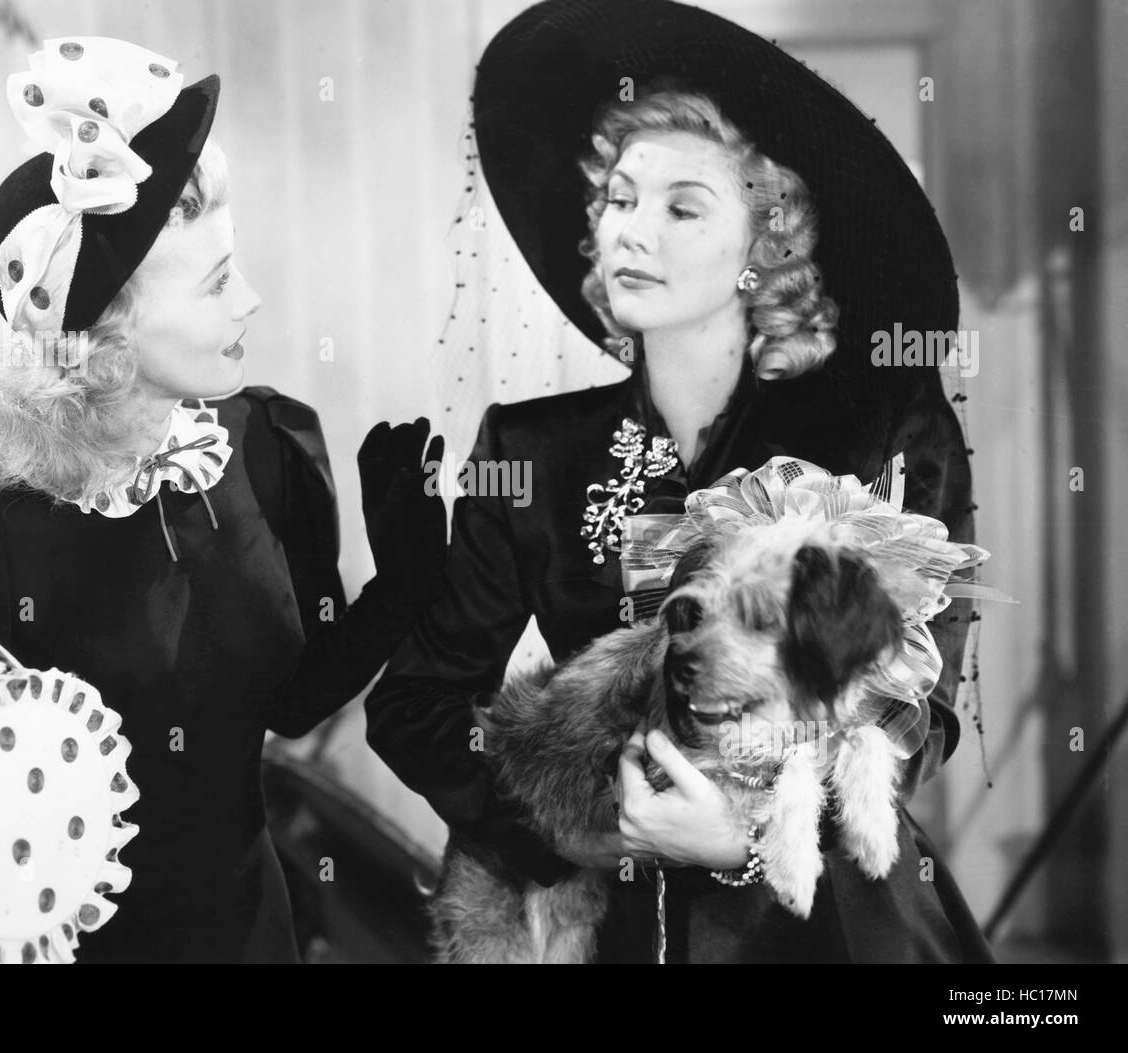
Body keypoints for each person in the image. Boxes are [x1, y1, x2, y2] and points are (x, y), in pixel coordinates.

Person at [366, 0, 992, 963]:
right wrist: (570, 827)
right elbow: (416, 703)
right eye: (617, 200)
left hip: (826, 911)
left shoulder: (887, 434)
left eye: (681, 206)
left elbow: (922, 705)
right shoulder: (532, 450)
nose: (630, 232)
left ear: (766, 249)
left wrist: (751, 832)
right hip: (604, 921)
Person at [0, 36, 446, 963]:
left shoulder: (264, 447)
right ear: (107, 336)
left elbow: (289, 704)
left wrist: (404, 581)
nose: (250, 300)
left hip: (257, 938)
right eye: (215, 283)